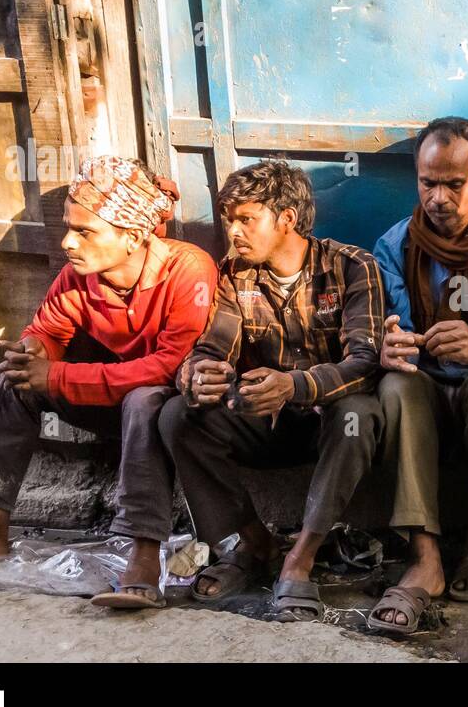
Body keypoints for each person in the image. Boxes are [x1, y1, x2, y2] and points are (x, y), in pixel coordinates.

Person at [0, 156, 217, 609]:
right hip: (103, 397)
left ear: (132, 236)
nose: (68, 242)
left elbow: (168, 366)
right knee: (18, 379)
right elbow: (49, 330)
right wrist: (36, 352)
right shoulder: (78, 278)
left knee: (145, 399)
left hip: (164, 411)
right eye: (69, 228)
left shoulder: (188, 270)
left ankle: (144, 553)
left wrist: (57, 374)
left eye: (85, 231)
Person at [158, 159, 384, 621]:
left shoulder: (352, 267)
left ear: (286, 219)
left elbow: (367, 363)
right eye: (228, 219)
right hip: (271, 421)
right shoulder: (236, 276)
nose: (233, 231)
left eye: (246, 219)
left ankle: (302, 554)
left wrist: (295, 385)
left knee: (358, 412)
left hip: (331, 425)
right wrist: (198, 374)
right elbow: (211, 346)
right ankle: (251, 540)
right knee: (176, 415)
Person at [367, 117, 468, 634]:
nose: (438, 198)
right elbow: (382, 327)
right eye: (427, 182)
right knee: (396, 388)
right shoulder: (393, 246)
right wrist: (390, 346)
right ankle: (425, 554)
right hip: (424, 383)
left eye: (453, 184)